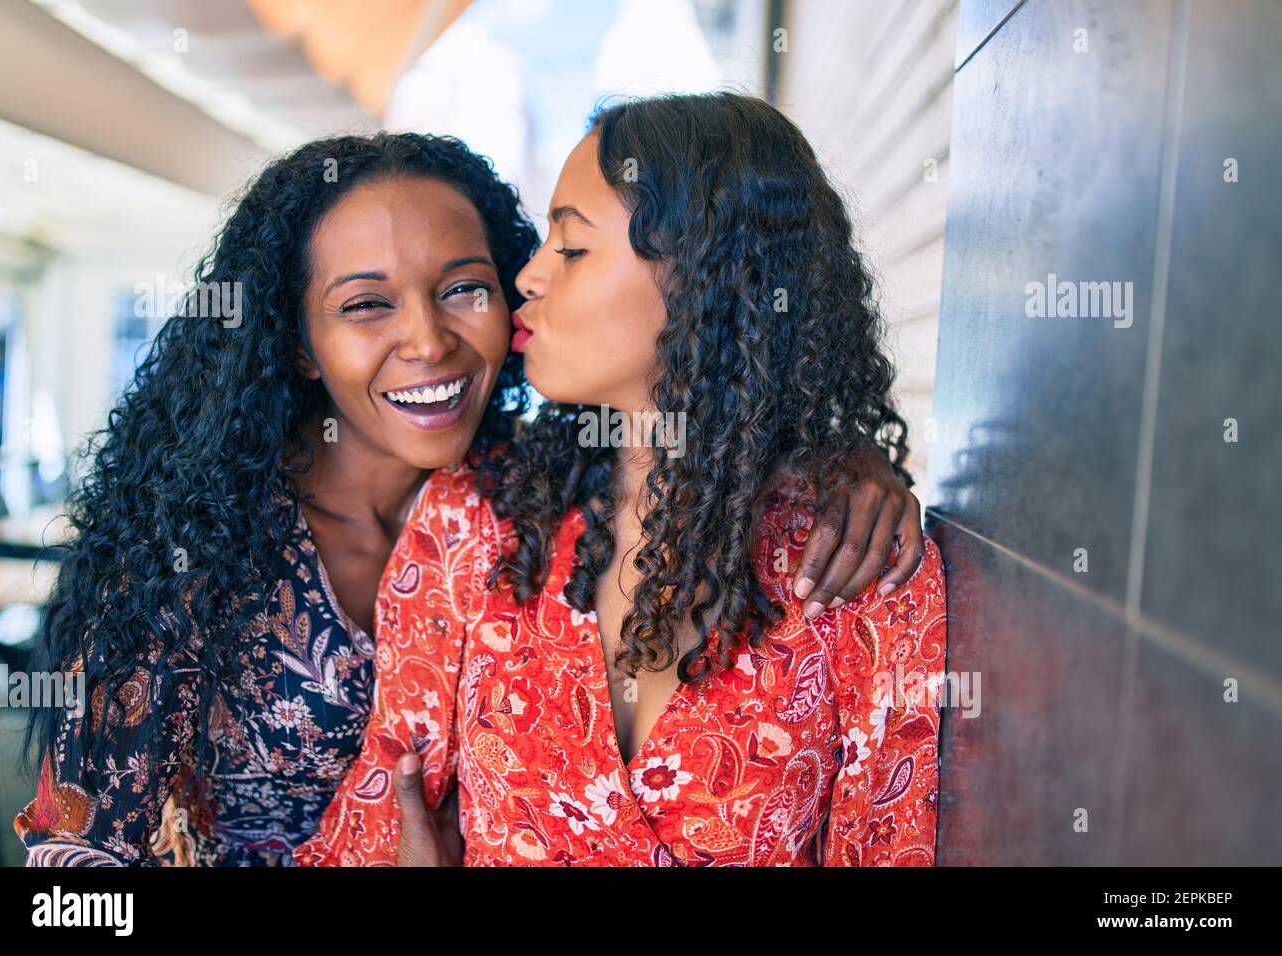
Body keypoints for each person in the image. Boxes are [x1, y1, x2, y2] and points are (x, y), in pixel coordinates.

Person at [17, 130, 923, 866]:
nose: (430, 342)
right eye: (366, 306)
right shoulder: (195, 539)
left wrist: (839, 461)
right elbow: (71, 856)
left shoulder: (518, 500)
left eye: (464, 289)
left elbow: (705, 425)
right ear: (296, 344)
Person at [295, 92, 947, 867]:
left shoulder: (860, 566)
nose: (527, 279)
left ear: (708, 280)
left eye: (570, 249)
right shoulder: (475, 521)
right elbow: (364, 830)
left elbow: (889, 846)